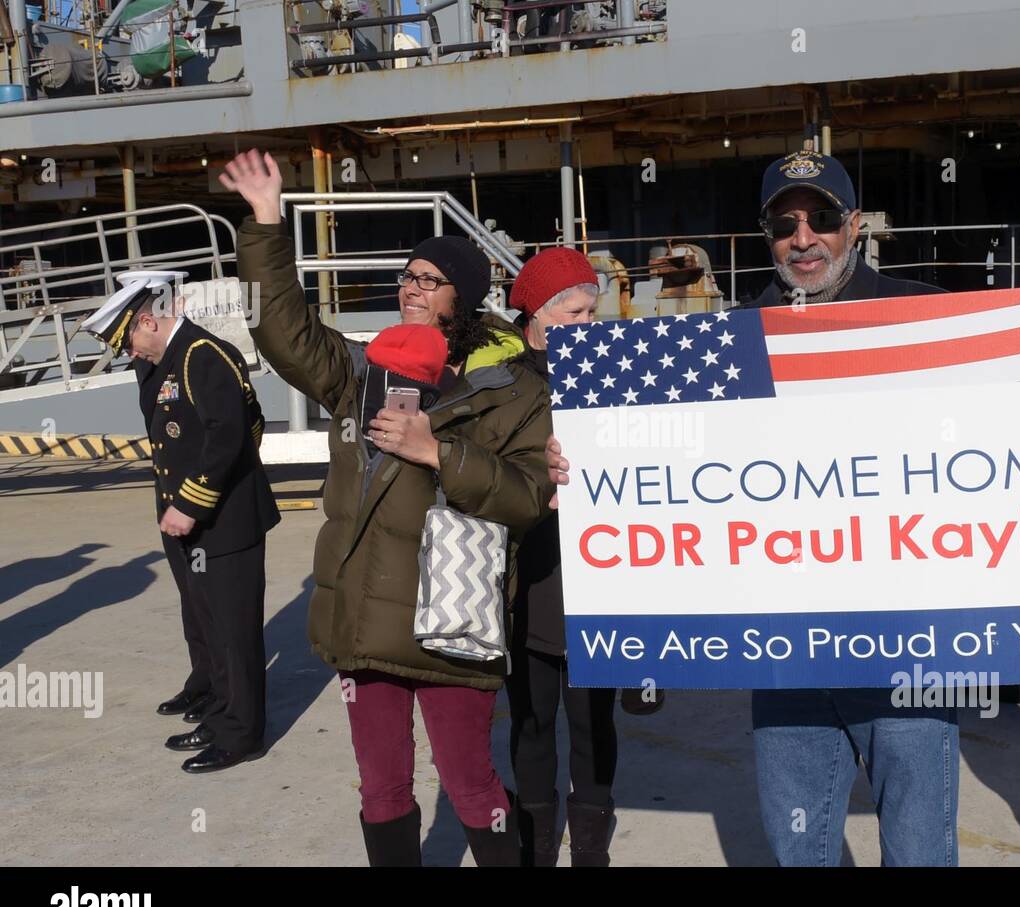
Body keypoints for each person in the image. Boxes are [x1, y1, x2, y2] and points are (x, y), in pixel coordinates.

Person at [545, 149, 1020, 866]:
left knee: (920, 847)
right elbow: (655, 469)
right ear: (766, 232)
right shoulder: (724, 342)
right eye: (784, 222)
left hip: (911, 648)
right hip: (784, 653)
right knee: (799, 846)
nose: (804, 238)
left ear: (853, 225)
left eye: (821, 218)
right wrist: (584, 460)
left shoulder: (925, 317)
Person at [221, 149, 553, 867]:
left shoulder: (515, 391)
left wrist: (439, 452)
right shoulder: (366, 372)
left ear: (461, 298)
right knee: (381, 788)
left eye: (430, 282)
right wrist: (267, 222)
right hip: (367, 621)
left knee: (470, 784)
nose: (411, 289)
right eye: (408, 276)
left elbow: (529, 497)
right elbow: (284, 333)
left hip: (454, 625)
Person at [84, 270, 279, 773]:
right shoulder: (168, 357)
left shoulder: (202, 354)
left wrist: (192, 502)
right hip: (186, 517)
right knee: (203, 621)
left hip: (222, 517)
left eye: (127, 339)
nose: (128, 352)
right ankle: (216, 709)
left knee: (234, 632)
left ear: (148, 320)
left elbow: (234, 432)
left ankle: (241, 735)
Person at [506, 247, 622, 866]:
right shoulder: (503, 387)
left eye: (591, 313)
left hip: (597, 588)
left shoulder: (615, 379)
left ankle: (591, 855)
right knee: (530, 727)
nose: (586, 327)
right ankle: (535, 850)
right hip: (531, 585)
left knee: (593, 728)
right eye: (573, 313)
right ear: (535, 315)